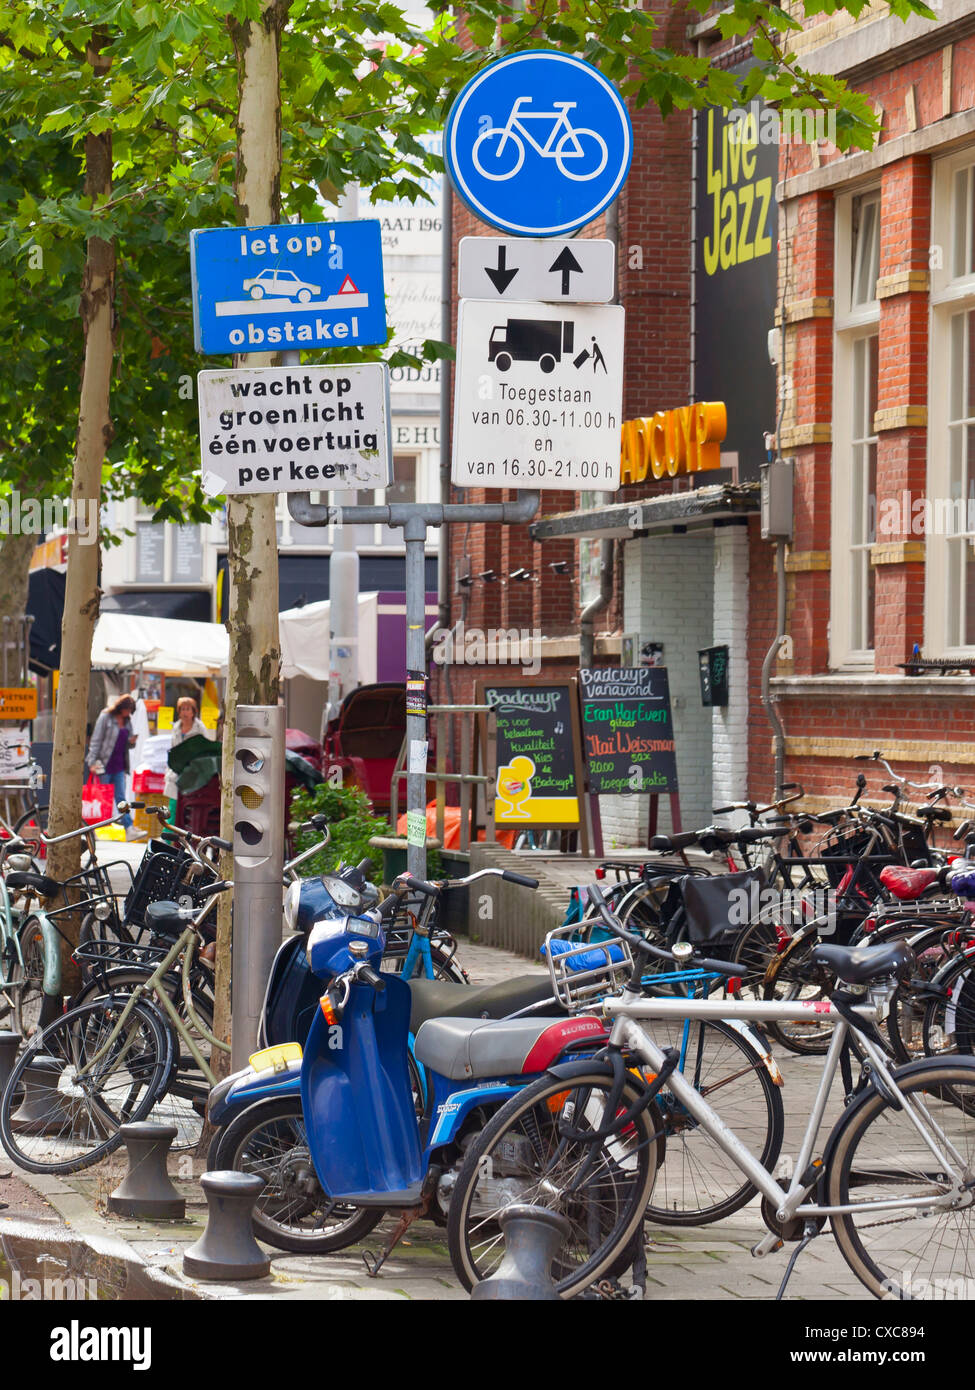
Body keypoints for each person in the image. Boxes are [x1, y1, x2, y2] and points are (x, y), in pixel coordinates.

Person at [85, 694, 146, 842]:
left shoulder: (127, 721)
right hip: (104, 765)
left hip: (119, 765)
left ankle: (129, 828)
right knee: (101, 800)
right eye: (127, 710)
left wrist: (132, 741)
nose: (128, 713)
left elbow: (129, 743)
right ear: (121, 707)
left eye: (130, 711)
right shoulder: (106, 717)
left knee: (120, 798)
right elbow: (96, 740)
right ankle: (92, 830)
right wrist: (92, 761)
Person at [165, 696, 210, 818]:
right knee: (173, 806)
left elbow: (206, 750)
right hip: (177, 770)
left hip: (193, 771)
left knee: (189, 807)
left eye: (187, 709)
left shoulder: (200, 728)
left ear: (193, 712)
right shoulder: (176, 727)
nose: (184, 712)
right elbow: (173, 748)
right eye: (182, 709)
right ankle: (169, 835)